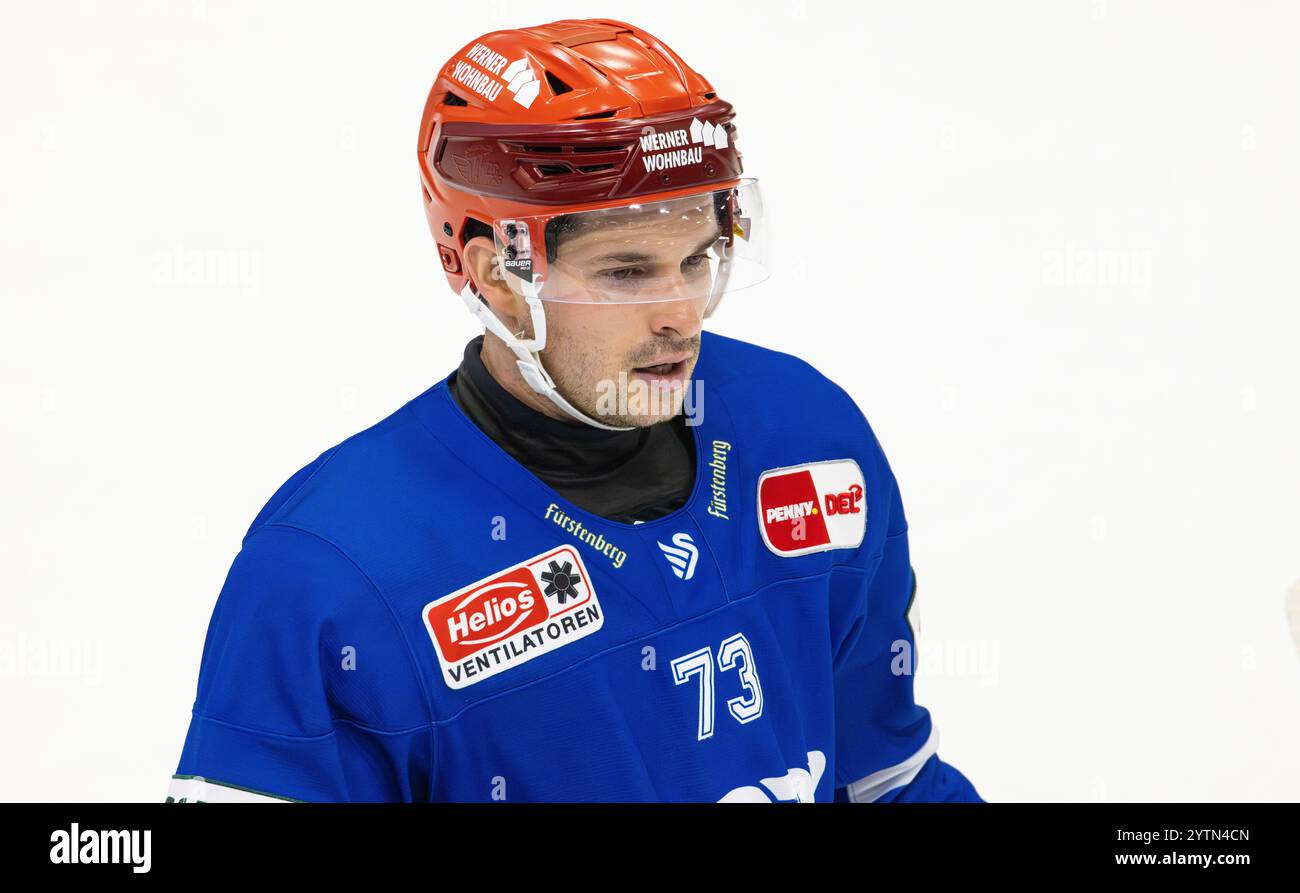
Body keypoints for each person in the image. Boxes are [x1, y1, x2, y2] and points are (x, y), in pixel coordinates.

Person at [167, 17, 983, 803]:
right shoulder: (329, 573)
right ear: (496, 278)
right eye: (626, 273)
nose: (681, 316)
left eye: (698, 258)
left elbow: (888, 782)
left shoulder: (806, 437)